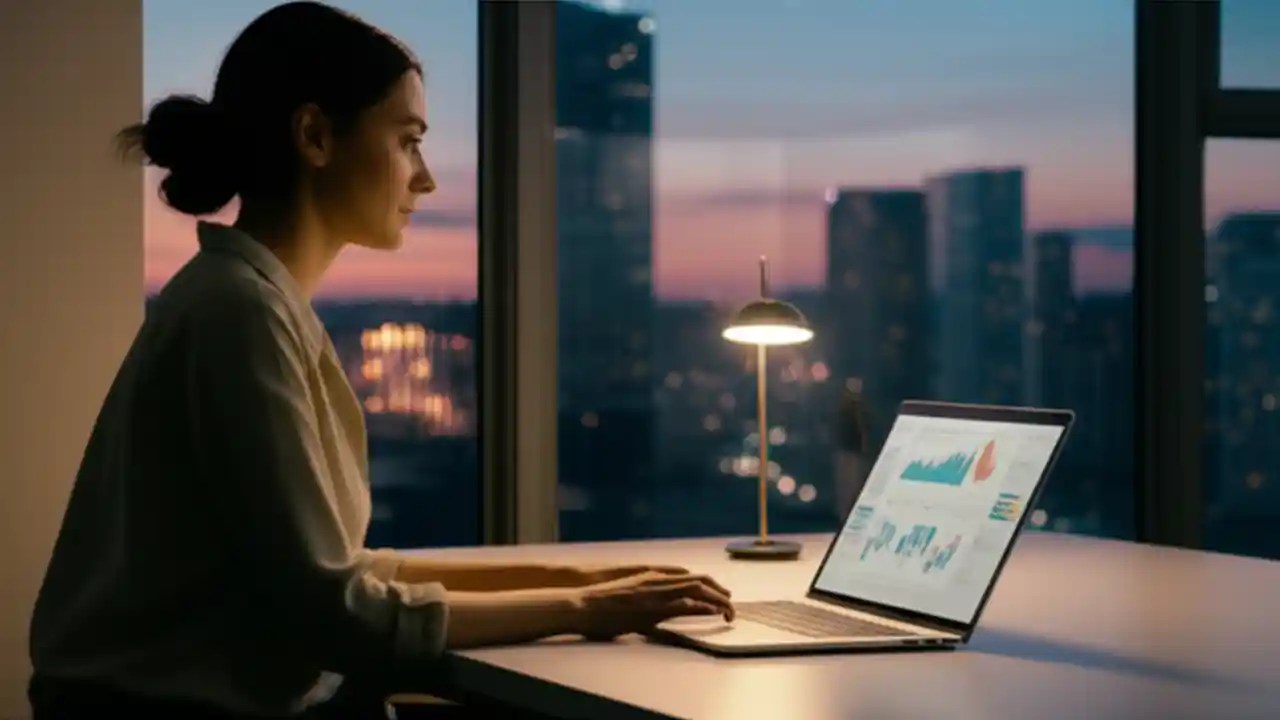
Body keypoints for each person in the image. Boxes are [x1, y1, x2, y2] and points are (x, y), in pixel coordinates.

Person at [25, 2, 734, 718]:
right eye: (407, 141)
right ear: (315, 136)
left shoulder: (250, 300)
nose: (424, 178)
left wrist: (586, 578)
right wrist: (582, 605)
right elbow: (338, 611)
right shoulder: (237, 314)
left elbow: (338, 573)